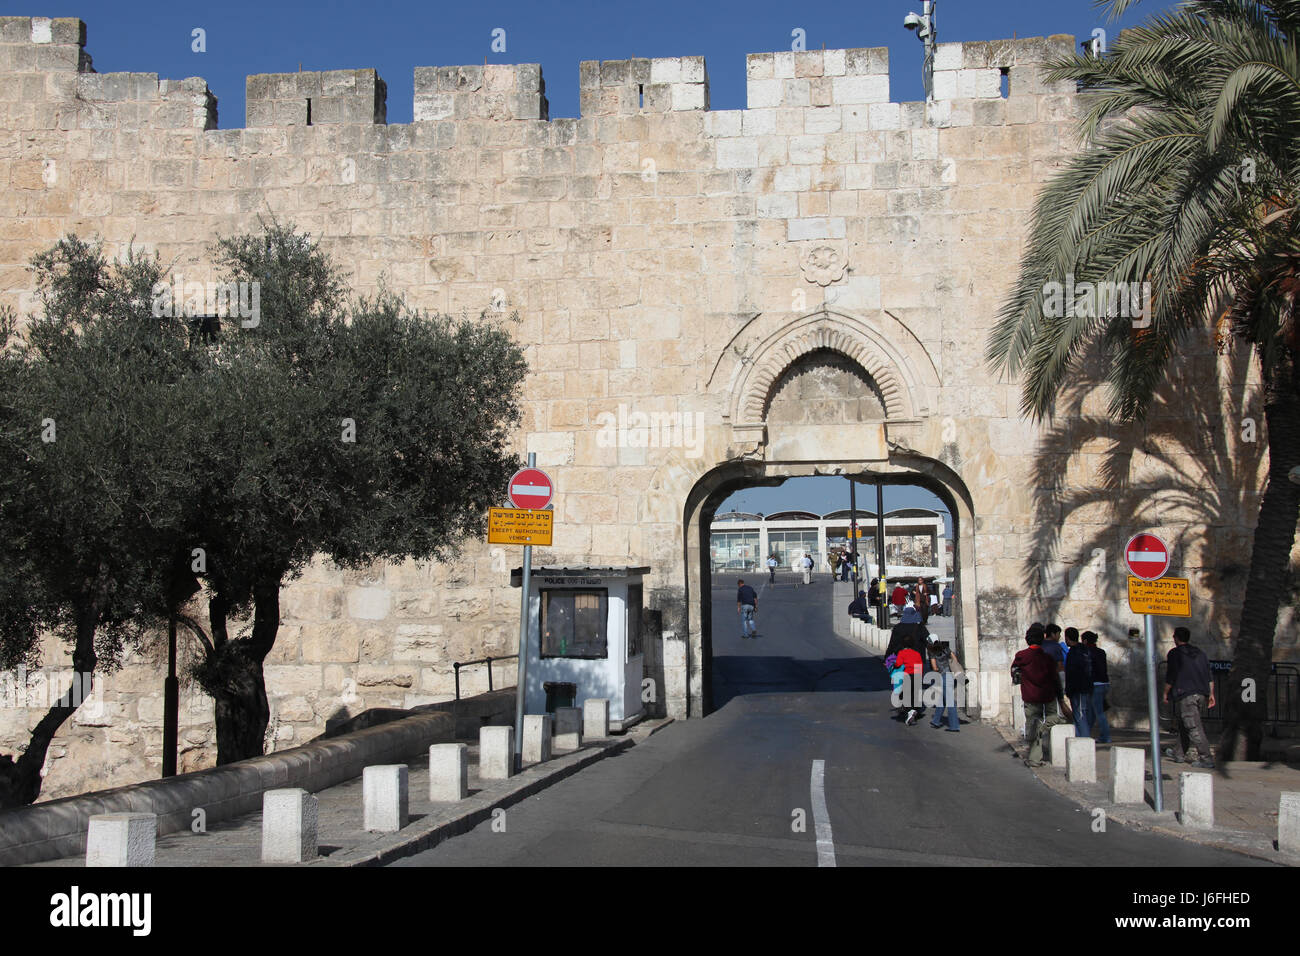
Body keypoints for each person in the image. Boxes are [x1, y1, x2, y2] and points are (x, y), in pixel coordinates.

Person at [1011, 624, 1072, 766]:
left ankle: (1034, 758)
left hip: (1030, 695)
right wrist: (1060, 696)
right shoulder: (1048, 659)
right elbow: (1055, 678)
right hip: (1047, 695)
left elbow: (1014, 673)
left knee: (1033, 724)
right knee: (1054, 718)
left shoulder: (1021, 656)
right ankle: (1042, 729)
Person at [1163, 626, 1215, 768]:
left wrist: (1165, 692)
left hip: (1187, 694)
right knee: (1184, 724)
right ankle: (1178, 753)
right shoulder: (1200, 653)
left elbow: (1171, 675)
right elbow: (1209, 675)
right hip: (1202, 693)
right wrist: (1211, 694)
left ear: (1176, 638)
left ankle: (1206, 758)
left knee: (1193, 727)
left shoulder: (1175, 653)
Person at [927, 635, 963, 731]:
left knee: (950, 701)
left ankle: (954, 726)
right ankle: (936, 720)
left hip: (943, 676)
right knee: (942, 699)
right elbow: (955, 659)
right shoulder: (946, 648)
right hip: (951, 675)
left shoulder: (932, 653)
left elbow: (934, 668)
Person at [1063, 627, 1093, 738]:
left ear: (1067, 638)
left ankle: (1085, 741)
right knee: (1078, 716)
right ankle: (1078, 739)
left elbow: (1072, 673)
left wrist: (1069, 689)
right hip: (1085, 688)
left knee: (1080, 716)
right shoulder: (1085, 650)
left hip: (1078, 689)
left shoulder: (1074, 653)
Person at [1082, 631, 1111, 743]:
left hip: (1095, 684)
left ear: (1085, 641)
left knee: (1098, 712)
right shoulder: (1101, 652)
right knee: (1092, 711)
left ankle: (1105, 737)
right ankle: (1086, 735)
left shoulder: (1086, 652)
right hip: (1104, 683)